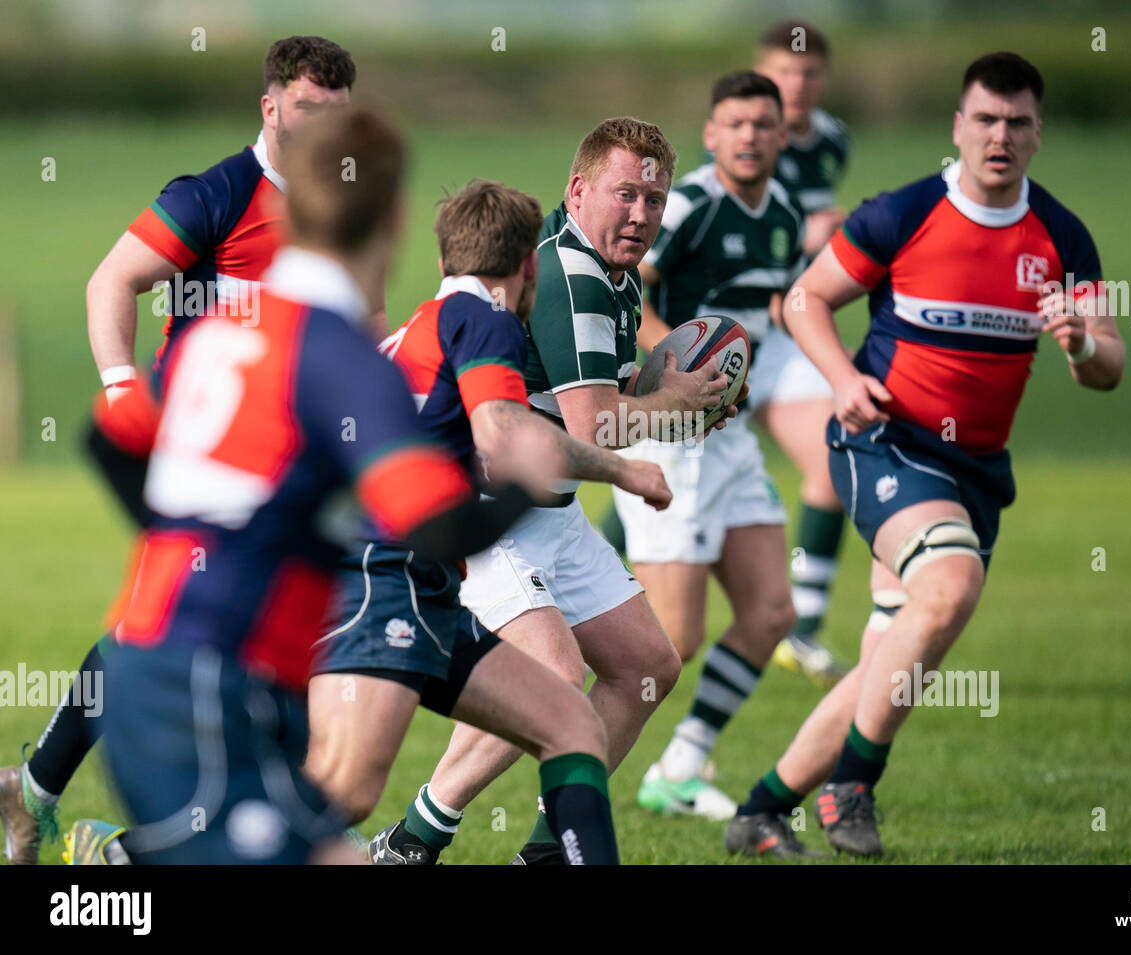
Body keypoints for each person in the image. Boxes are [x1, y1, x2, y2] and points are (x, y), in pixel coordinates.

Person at [87, 106, 629, 864]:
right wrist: (522, 480)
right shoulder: (342, 355)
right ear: (396, 217)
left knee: (569, 721)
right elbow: (436, 528)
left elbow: (105, 438)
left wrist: (199, 531)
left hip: (164, 656)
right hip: (207, 687)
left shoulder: (220, 327)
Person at [725, 52, 1126, 857]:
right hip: (885, 443)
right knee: (949, 587)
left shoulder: (1062, 237)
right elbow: (803, 298)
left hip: (976, 471)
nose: (999, 135)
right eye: (984, 119)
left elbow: (1109, 366)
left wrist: (1081, 341)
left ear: (1038, 134)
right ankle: (853, 786)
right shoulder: (902, 214)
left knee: (889, 658)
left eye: (1016, 122)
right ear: (958, 126)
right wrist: (840, 378)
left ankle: (763, 807)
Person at [0, 35, 357, 866]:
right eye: (308, 111)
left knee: (166, 624)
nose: (323, 131)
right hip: (203, 455)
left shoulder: (330, 208)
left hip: (282, 464)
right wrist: (123, 383)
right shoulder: (218, 193)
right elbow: (110, 281)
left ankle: (45, 795)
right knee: (179, 623)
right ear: (270, 107)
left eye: (338, 118)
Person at [370, 117, 737, 865]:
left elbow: (599, 395)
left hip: (553, 514)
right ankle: (410, 842)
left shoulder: (615, 274)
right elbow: (595, 425)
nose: (640, 214)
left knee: (646, 667)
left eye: (655, 200)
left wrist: (674, 392)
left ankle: (544, 850)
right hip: (490, 518)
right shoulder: (567, 277)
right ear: (578, 189)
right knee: (553, 677)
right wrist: (674, 410)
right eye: (624, 194)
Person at [303, 179, 672, 861]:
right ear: (530, 264)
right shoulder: (487, 322)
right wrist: (624, 469)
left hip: (406, 570)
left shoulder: (417, 325)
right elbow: (504, 435)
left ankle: (537, 853)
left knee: (569, 710)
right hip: (386, 575)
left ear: (445, 258)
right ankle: (133, 857)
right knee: (344, 793)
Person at [616, 71, 802, 820]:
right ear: (711, 134)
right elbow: (628, 290)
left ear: (782, 135)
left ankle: (679, 767)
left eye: (763, 124)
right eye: (735, 123)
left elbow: (769, 313)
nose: (750, 136)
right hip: (674, 436)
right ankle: (560, 750)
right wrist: (686, 368)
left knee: (771, 612)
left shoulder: (784, 212)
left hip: (730, 439)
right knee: (671, 641)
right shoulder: (689, 203)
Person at [752, 19, 856, 685]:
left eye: (808, 73)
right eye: (784, 73)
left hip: (787, 334)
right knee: (662, 482)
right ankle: (565, 596)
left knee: (834, 458)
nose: (796, 85)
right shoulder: (749, 143)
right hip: (730, 332)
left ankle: (802, 628)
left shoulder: (834, 142)